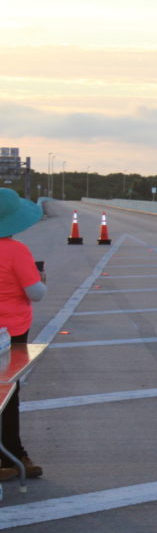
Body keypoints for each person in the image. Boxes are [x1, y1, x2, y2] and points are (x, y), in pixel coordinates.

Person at [0, 187, 46, 481]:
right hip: (11, 332)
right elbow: (36, 293)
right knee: (8, 394)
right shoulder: (17, 251)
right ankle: (12, 456)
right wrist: (40, 279)